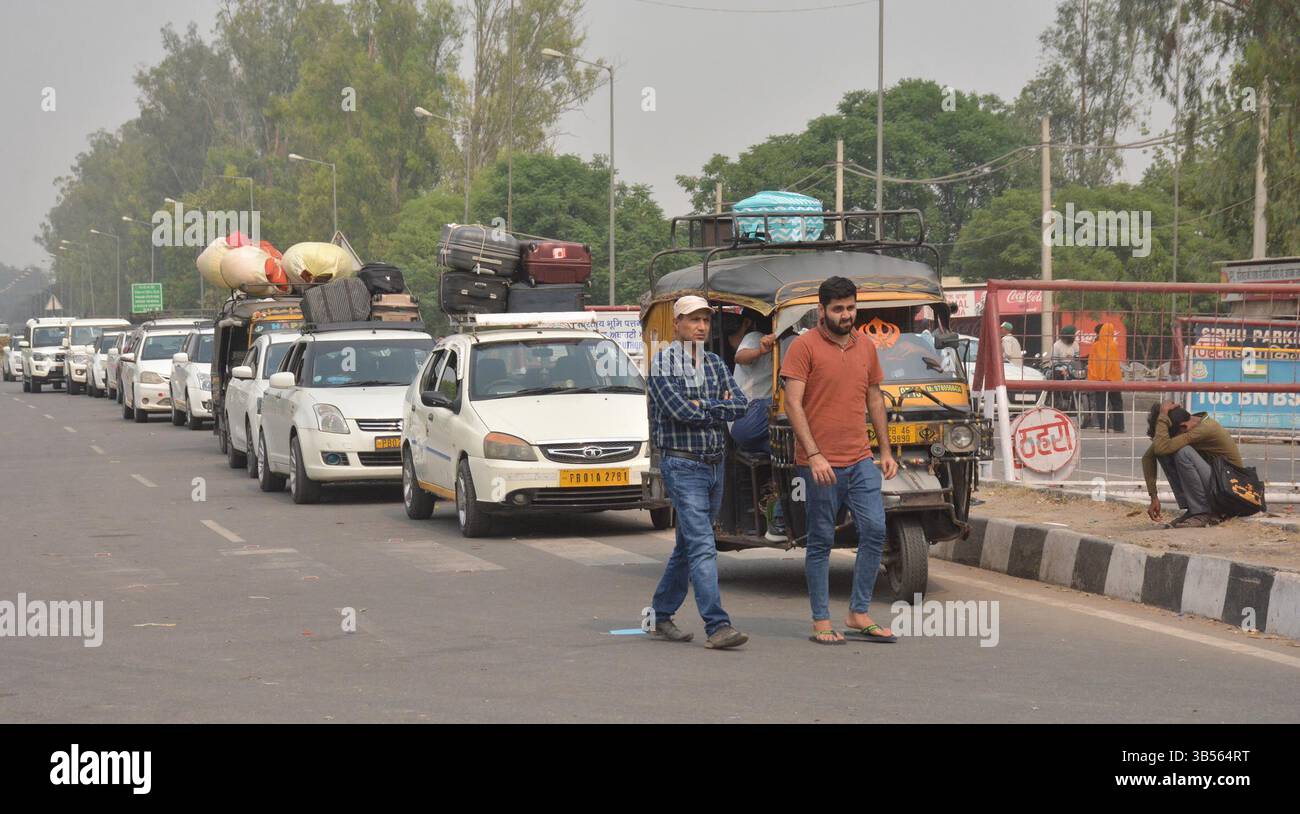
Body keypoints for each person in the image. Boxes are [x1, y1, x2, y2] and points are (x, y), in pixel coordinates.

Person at [781, 276, 900, 646]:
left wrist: (884, 450)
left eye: (850, 308)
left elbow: (874, 398)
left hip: (861, 459)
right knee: (820, 542)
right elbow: (792, 403)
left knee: (876, 530)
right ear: (822, 310)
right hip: (820, 464)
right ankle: (821, 619)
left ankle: (857, 612)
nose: (846, 315)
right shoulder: (803, 347)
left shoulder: (866, 346)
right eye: (838, 309)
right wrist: (814, 455)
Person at [646, 295, 750, 650]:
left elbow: (740, 403)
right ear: (677, 325)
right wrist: (715, 407)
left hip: (714, 463)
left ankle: (660, 615)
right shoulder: (663, 365)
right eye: (693, 320)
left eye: (705, 320)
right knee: (703, 544)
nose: (701, 326)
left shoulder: (717, 364)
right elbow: (679, 412)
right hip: (682, 464)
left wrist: (703, 404)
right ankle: (717, 625)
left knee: (688, 546)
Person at [727, 316, 787, 542]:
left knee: (792, 457)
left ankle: (778, 521)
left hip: (762, 423)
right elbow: (740, 356)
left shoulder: (792, 342)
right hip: (748, 414)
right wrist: (761, 350)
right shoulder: (755, 338)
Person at [1143, 402, 1245, 528]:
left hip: (1232, 492)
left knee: (1182, 452)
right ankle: (1194, 510)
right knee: (1166, 452)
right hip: (1218, 484)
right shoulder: (1189, 424)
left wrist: (1163, 416)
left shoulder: (1205, 429)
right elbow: (1148, 457)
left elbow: (1161, 448)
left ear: (1183, 427)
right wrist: (1153, 497)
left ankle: (1201, 512)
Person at [1086, 323, 1125, 432]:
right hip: (1114, 380)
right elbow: (1113, 364)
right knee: (1117, 403)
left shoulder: (1095, 346)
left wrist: (1093, 377)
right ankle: (1119, 427)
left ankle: (1103, 427)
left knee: (1101, 404)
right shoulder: (1113, 345)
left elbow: (1091, 363)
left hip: (1099, 380)